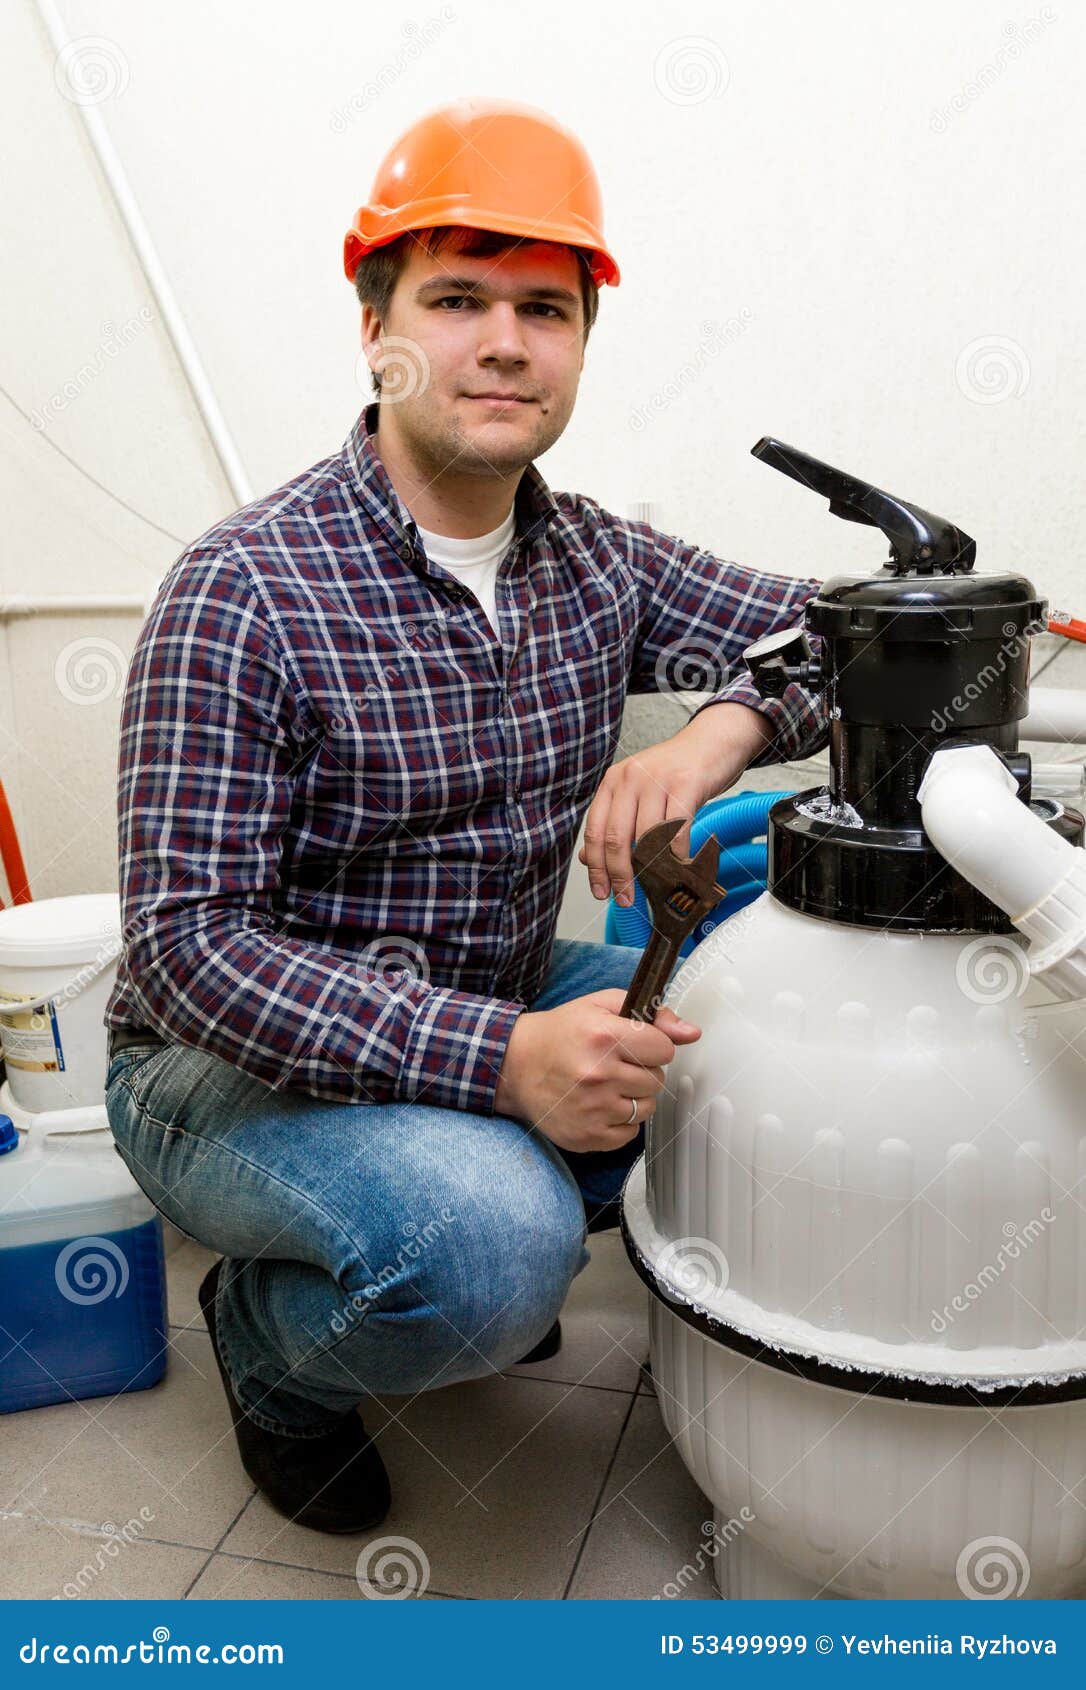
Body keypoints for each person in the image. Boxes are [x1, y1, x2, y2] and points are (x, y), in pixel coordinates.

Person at [103, 97, 827, 1535]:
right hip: (212, 1070)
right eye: (456, 298)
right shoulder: (245, 589)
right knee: (494, 1248)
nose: (504, 341)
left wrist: (716, 733)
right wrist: (503, 1060)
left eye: (544, 310)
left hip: (480, 988)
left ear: (577, 345)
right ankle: (274, 1348)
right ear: (378, 330)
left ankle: (463, 1230)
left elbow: (836, 634)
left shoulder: (595, 561)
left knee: (756, 1037)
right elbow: (187, 949)